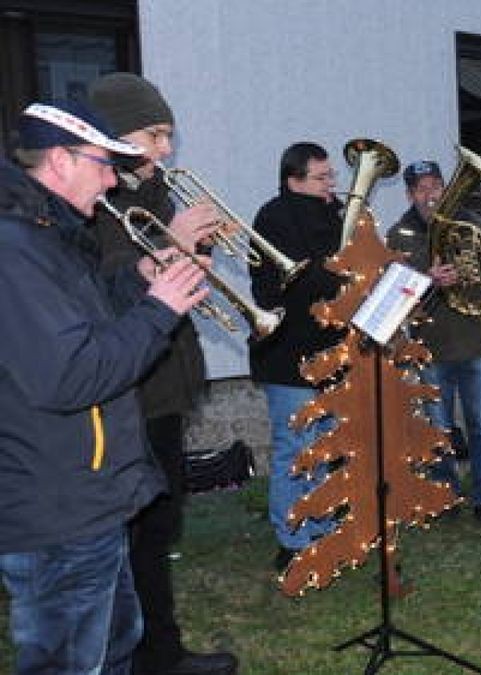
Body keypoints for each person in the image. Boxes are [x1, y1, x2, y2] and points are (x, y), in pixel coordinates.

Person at [0, 101, 207, 675]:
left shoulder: (49, 236)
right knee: (70, 662)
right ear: (62, 162)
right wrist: (161, 310)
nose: (114, 179)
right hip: (57, 506)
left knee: (113, 648)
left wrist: (138, 283)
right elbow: (72, 373)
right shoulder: (15, 248)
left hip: (89, 497)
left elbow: (83, 324)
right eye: (103, 164)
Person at [88, 72, 238, 675]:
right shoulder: (91, 200)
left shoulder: (150, 194)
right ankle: (136, 657)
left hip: (167, 381)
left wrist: (198, 256)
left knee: (161, 525)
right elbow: (102, 285)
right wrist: (169, 247)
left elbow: (171, 279)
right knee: (131, 536)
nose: (167, 150)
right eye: (156, 134)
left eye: (168, 135)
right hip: (125, 391)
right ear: (114, 134)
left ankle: (163, 652)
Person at [385, 160, 481, 527]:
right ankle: (445, 497)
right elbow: (396, 298)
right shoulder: (399, 235)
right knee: (438, 431)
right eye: (421, 188)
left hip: (475, 342)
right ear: (409, 194)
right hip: (431, 347)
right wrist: (429, 281)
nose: (431, 194)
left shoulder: (472, 222)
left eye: (436, 185)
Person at [249, 143, 346, 569]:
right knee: (296, 449)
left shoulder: (336, 215)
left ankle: (320, 527)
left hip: (332, 350)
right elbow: (285, 286)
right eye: (322, 178)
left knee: (324, 446)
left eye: (332, 177)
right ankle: (291, 540)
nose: (332, 185)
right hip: (288, 356)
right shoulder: (274, 217)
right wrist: (340, 269)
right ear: (295, 180)